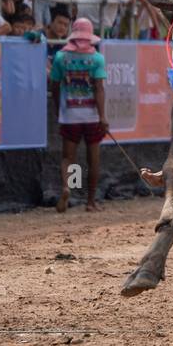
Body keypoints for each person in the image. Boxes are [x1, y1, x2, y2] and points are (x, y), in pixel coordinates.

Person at [49, 17, 108, 213]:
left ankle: (68, 188)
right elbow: (99, 88)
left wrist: (59, 108)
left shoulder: (60, 58)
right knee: (93, 159)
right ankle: (90, 201)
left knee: (69, 158)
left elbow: (55, 87)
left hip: (70, 115)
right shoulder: (97, 59)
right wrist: (103, 117)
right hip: (91, 116)